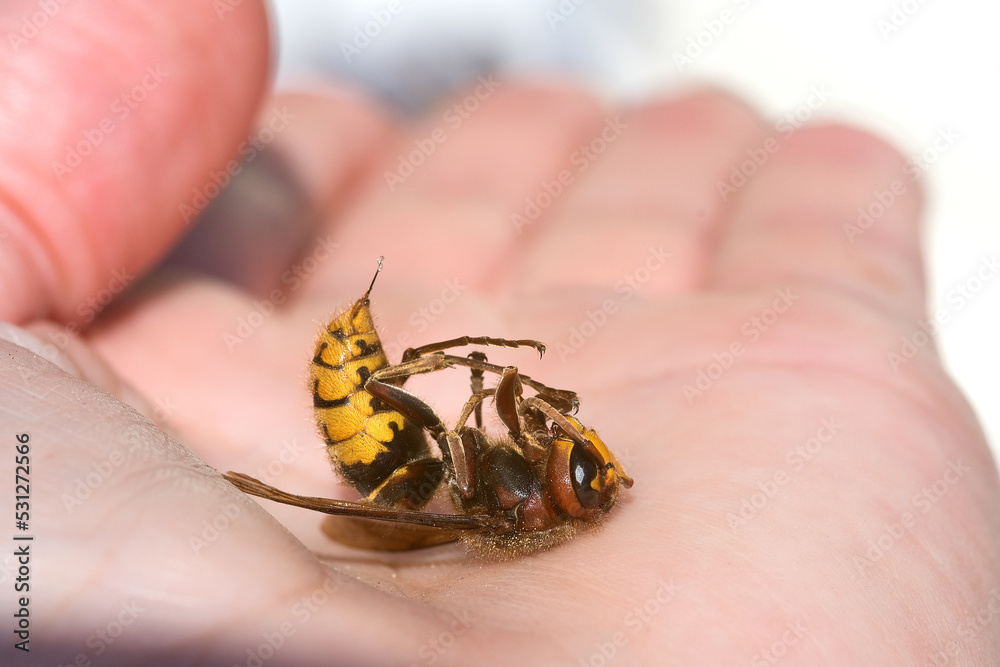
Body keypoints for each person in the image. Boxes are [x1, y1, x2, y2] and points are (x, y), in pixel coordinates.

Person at [1, 2, 997, 664]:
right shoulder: (525, 469)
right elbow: (529, 430)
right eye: (582, 460)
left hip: (388, 460)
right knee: (451, 403)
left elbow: (481, 427)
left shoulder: (487, 493)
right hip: (406, 431)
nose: (577, 454)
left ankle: (438, 47)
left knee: (436, 415)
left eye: (577, 468)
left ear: (537, 503)